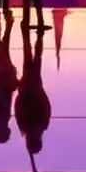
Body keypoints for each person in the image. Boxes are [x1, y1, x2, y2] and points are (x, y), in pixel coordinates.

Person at [15, 27, 52, 155]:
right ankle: (28, 36)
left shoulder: (42, 124)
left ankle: (37, 36)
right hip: (28, 88)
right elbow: (18, 108)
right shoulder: (25, 127)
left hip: (34, 88)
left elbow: (46, 106)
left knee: (36, 59)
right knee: (29, 59)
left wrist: (41, 91)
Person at [0, 11, 19, 144]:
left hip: (4, 79)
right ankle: (5, 23)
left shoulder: (0, 118)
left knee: (2, 46)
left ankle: (6, 23)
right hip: (2, 80)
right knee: (2, 47)